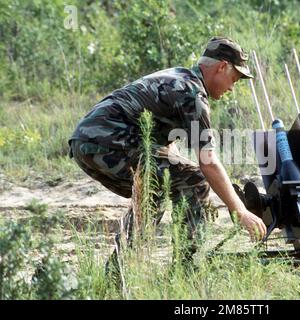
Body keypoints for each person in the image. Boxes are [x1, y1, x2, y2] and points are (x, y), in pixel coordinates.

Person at [68, 36, 267, 270]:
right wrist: (240, 211)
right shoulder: (192, 94)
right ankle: (186, 268)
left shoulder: (181, 77)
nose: (232, 87)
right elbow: (208, 162)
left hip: (88, 142)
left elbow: (166, 148)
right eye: (233, 79)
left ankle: (117, 272)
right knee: (194, 181)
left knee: (159, 187)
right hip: (107, 141)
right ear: (222, 67)